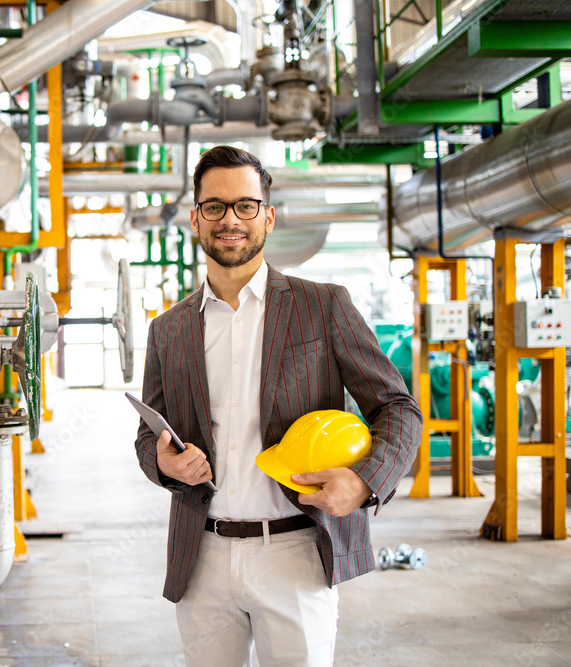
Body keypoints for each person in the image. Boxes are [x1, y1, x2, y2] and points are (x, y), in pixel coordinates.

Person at [133, 145, 422, 666]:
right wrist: (163, 462)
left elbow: (397, 407)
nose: (230, 220)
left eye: (245, 205)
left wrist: (362, 482)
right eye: (214, 207)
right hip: (202, 555)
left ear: (267, 216)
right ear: (196, 218)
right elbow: (147, 434)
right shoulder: (168, 329)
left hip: (296, 551)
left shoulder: (323, 305)